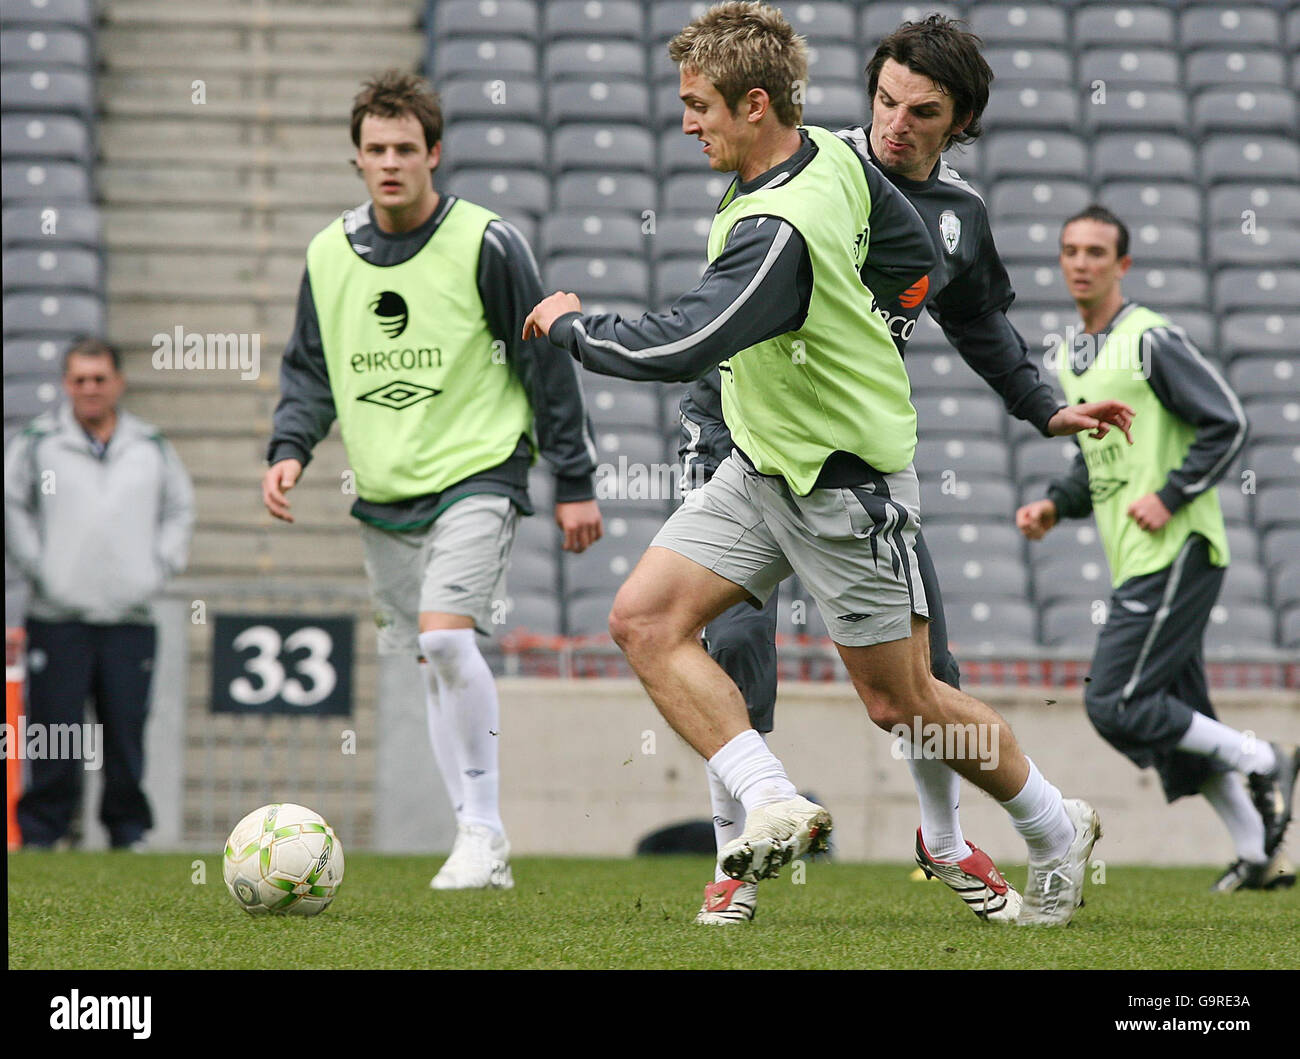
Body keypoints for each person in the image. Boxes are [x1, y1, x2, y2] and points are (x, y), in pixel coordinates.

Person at [526, 2, 1099, 926]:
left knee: (904, 699)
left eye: (698, 105)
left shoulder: (783, 225)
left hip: (843, 485)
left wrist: (570, 327)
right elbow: (900, 246)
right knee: (646, 620)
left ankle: (1052, 823)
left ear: (754, 104)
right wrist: (858, 315)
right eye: (885, 101)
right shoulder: (833, 157)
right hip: (754, 460)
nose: (685, 123)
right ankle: (768, 804)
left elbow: (686, 338)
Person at [677, 14, 1137, 925]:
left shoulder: (959, 219)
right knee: (723, 640)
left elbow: (981, 325)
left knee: (920, 679)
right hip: (738, 434)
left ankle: (944, 836)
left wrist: (1046, 406)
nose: (895, 123)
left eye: (921, 112)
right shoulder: (814, 168)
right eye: (885, 100)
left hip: (851, 463)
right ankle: (737, 850)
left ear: (959, 121)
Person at [263, 71, 601, 890]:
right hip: (384, 486)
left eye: (405, 148)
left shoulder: (487, 242)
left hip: (479, 469)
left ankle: (483, 831)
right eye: (375, 150)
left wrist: (575, 477)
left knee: (447, 637)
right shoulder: (327, 252)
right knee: (429, 657)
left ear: (434, 154)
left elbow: (544, 359)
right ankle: (475, 840)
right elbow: (310, 367)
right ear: (356, 159)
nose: (390, 162)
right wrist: (291, 445)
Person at [1017, 205, 1298, 893]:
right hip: (1137, 559)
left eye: (1096, 251)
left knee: (1118, 700)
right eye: (1070, 250)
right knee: (1176, 717)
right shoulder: (1069, 355)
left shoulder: (1149, 339)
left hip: (1179, 549)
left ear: (1123, 264)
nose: (1080, 262)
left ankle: (1264, 757)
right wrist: (1057, 502)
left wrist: (1170, 496)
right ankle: (1259, 854)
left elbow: (1226, 420)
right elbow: (1097, 461)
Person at [5, 338, 195, 850]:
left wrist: (159, 567)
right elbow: (11, 505)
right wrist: (40, 566)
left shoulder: (151, 446)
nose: (90, 388)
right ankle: (43, 834)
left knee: (126, 733)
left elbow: (180, 509)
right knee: (55, 734)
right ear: (67, 384)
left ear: (118, 382)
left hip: (130, 619)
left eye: (99, 378)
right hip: (58, 615)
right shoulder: (39, 442)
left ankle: (127, 834)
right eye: (80, 379)